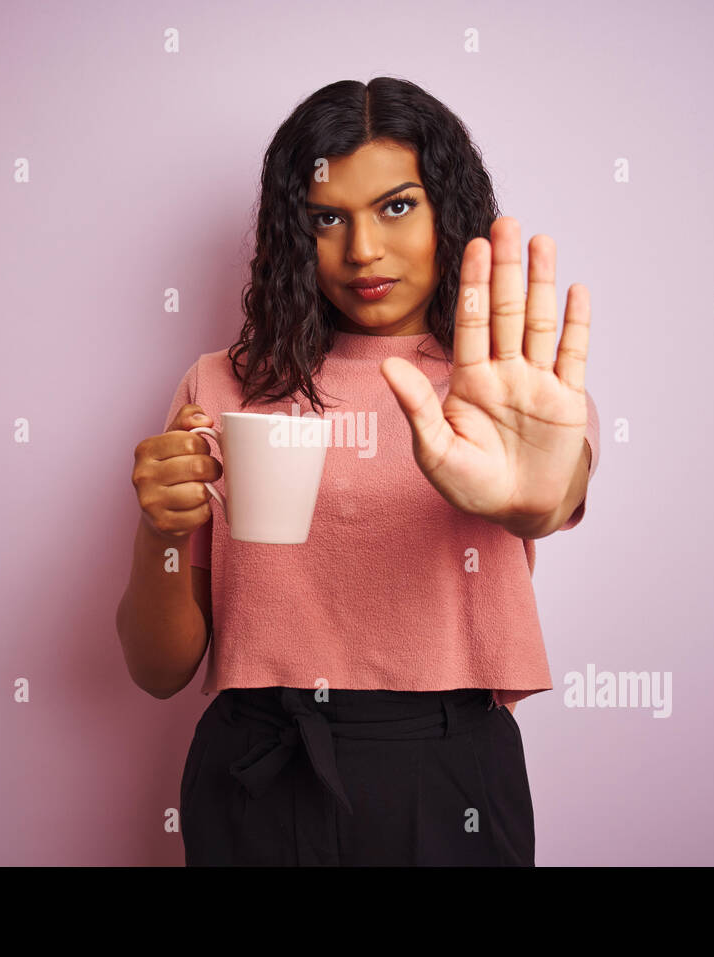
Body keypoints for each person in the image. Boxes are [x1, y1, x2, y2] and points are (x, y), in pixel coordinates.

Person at [116, 77, 600, 866]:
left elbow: (556, 490)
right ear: (292, 231)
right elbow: (157, 669)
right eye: (327, 218)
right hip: (256, 769)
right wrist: (159, 530)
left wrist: (542, 493)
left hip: (449, 773)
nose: (363, 249)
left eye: (398, 206)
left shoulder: (511, 383)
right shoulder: (220, 384)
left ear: (450, 209)